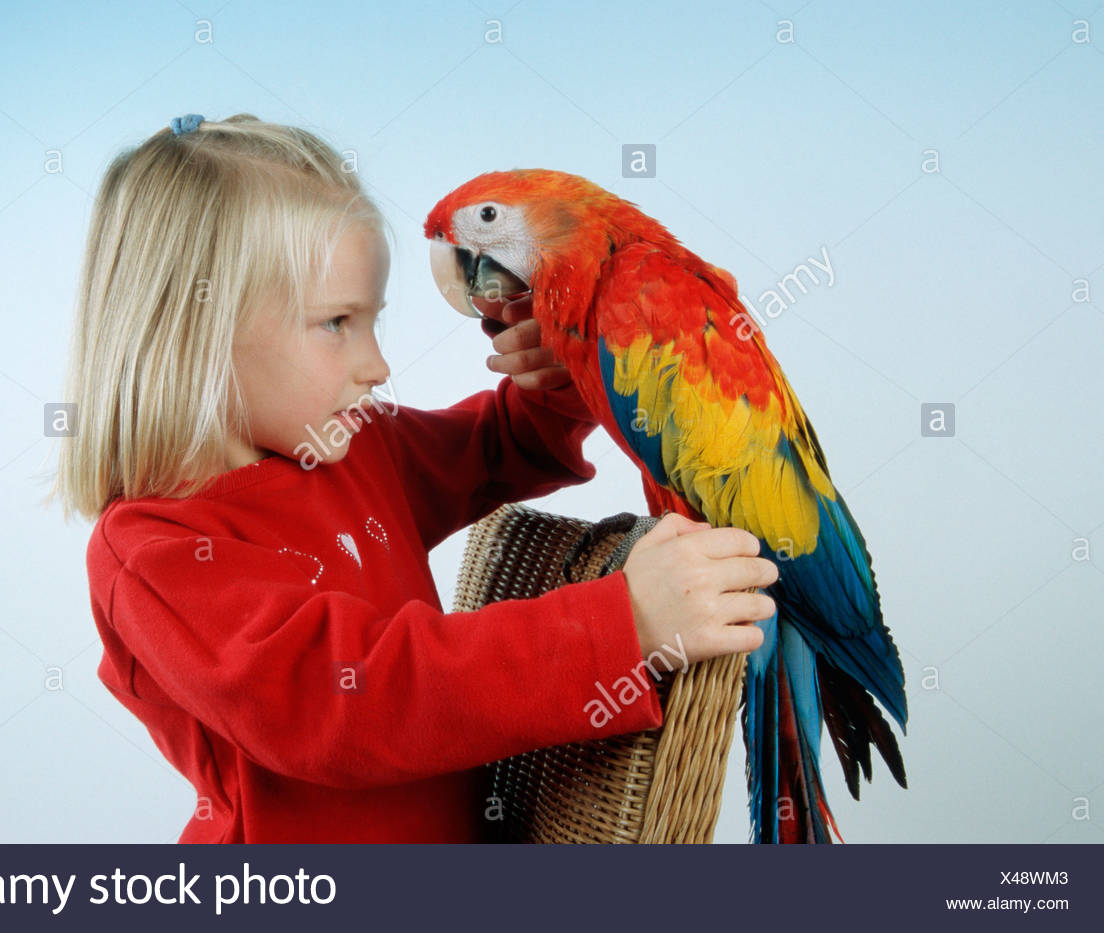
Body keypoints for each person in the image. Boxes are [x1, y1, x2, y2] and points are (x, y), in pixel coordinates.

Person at [47, 113, 776, 843]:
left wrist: (557, 377)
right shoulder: (155, 553)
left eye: (374, 322)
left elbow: (497, 449)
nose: (378, 365)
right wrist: (618, 627)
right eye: (337, 323)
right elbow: (360, 704)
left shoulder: (353, 447)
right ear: (197, 334)